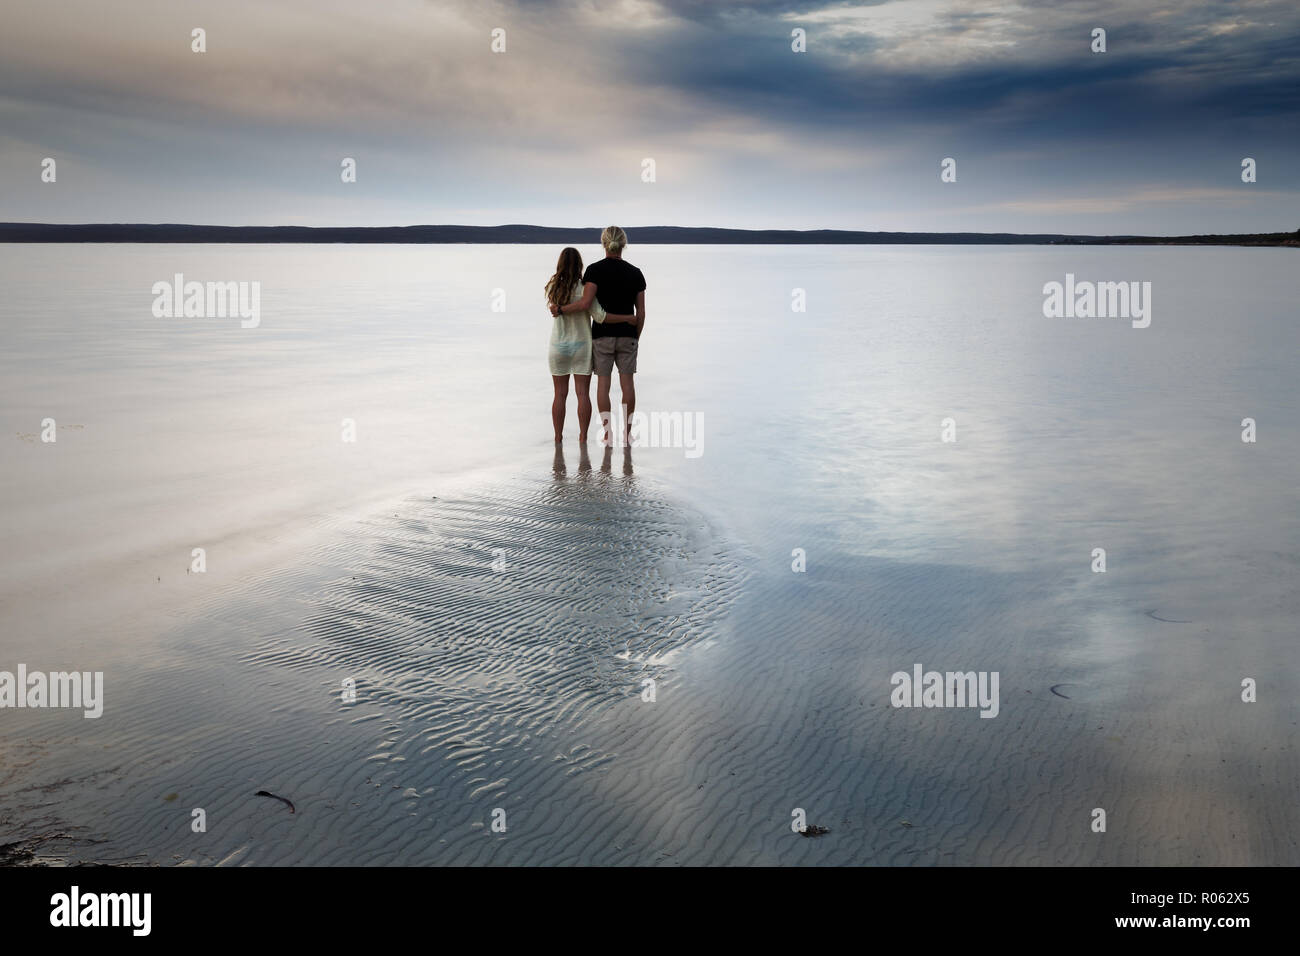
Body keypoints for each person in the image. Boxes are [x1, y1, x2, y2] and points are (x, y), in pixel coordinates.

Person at [551, 226, 644, 445]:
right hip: (627, 336)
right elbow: (641, 312)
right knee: (627, 385)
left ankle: (607, 433)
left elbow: (587, 304)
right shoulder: (636, 273)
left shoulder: (593, 272)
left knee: (603, 386)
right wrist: (635, 335)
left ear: (604, 244)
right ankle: (627, 434)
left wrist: (561, 309)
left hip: (600, 337)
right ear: (623, 244)